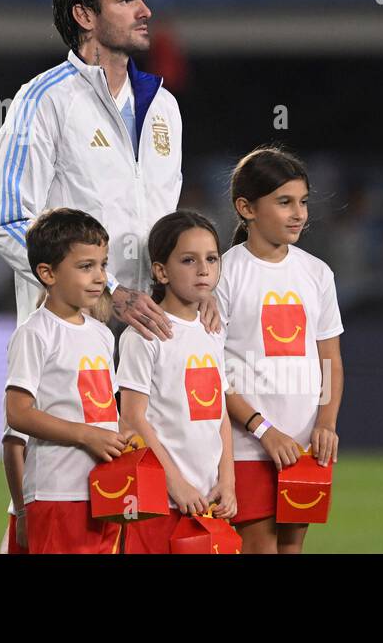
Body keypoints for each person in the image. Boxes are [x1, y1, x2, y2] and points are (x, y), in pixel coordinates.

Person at [0, 0, 206, 552]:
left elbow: (167, 227)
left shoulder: (164, 105)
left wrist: (191, 290)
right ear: (86, 16)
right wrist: (106, 295)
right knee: (53, 512)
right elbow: (7, 222)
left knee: (145, 508)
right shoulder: (42, 100)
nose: (145, 9)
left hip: (149, 336)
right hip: (69, 336)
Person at [215, 146, 344, 554]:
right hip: (248, 447)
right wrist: (263, 430)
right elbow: (211, 373)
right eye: (284, 202)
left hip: (305, 447)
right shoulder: (222, 274)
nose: (299, 214)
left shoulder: (316, 272)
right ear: (246, 208)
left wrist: (325, 423)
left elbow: (330, 360)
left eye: (303, 202)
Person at [4, 208, 132, 554]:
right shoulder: (34, 334)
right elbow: (18, 414)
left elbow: (107, 410)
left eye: (103, 265)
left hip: (105, 490)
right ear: (47, 273)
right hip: (57, 492)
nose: (99, 277)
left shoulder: (103, 334)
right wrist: (86, 435)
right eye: (85, 266)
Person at [117, 211, 236, 553]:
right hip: (159, 503)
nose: (203, 269)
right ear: (161, 271)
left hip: (208, 501)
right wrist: (176, 485)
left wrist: (227, 482)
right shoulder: (144, 335)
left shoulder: (213, 331)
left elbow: (220, 414)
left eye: (211, 259)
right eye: (188, 259)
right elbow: (133, 419)